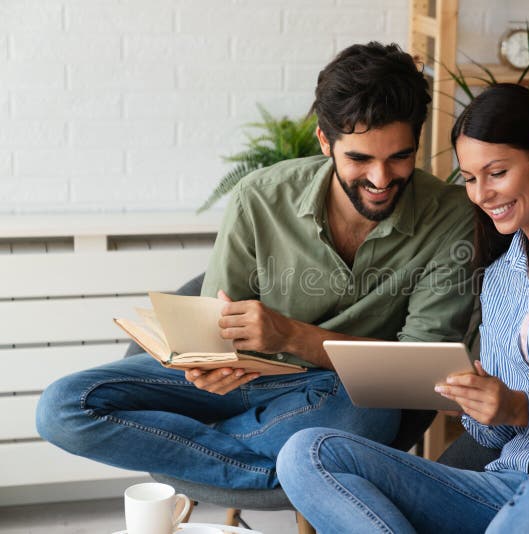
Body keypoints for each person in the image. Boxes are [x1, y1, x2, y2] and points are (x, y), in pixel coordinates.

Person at [35, 42, 476, 490]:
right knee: (63, 407)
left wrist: (291, 335)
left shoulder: (450, 217)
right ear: (325, 141)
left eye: (398, 157)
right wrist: (205, 364)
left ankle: (209, 450)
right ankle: (293, 463)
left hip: (335, 394)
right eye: (360, 158)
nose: (381, 179)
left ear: (417, 143)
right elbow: (213, 330)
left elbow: (420, 375)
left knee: (370, 416)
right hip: (246, 381)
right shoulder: (261, 197)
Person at [276, 83, 529, 533]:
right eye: (470, 179)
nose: (482, 194)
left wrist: (519, 407)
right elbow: (497, 436)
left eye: (496, 173)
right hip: (511, 490)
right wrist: (476, 405)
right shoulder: (499, 277)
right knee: (308, 453)